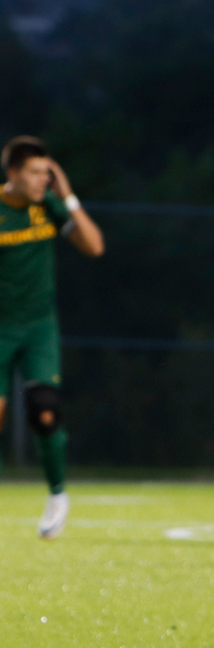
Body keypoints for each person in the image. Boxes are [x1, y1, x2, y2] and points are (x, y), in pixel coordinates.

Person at [0, 136, 105, 539]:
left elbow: (94, 247)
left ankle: (58, 494)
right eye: (35, 172)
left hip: (39, 326)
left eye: (48, 171)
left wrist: (71, 198)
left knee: (44, 409)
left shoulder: (49, 207)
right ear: (13, 175)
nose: (44, 179)